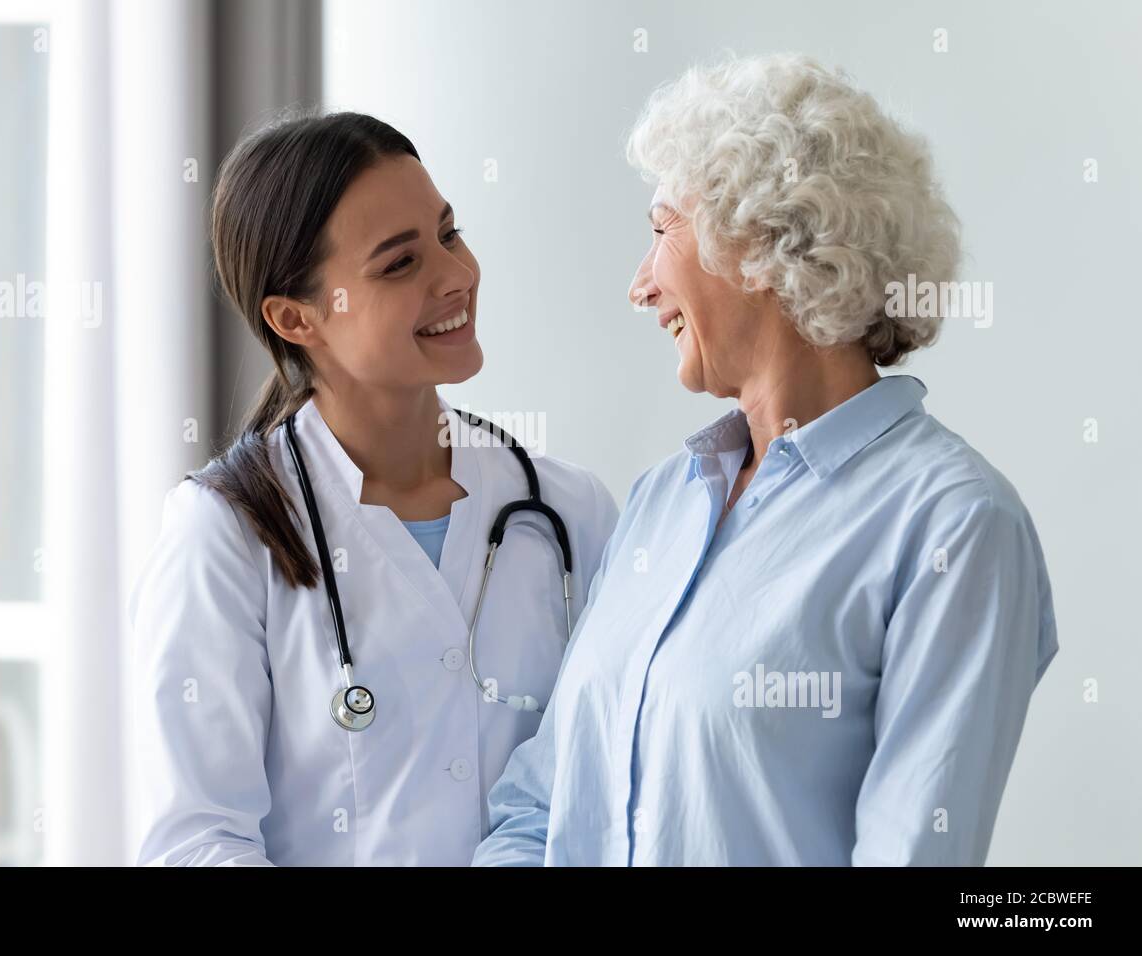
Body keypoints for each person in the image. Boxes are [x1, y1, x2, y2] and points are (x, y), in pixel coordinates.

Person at [473, 54, 1058, 866]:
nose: (640, 285)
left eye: (659, 230)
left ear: (761, 233)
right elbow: (539, 808)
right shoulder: (662, 502)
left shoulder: (953, 523)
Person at [128, 111, 618, 865]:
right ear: (297, 318)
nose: (456, 275)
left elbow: (611, 784)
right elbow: (197, 844)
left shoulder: (568, 513)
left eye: (449, 235)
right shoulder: (224, 536)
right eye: (400, 264)